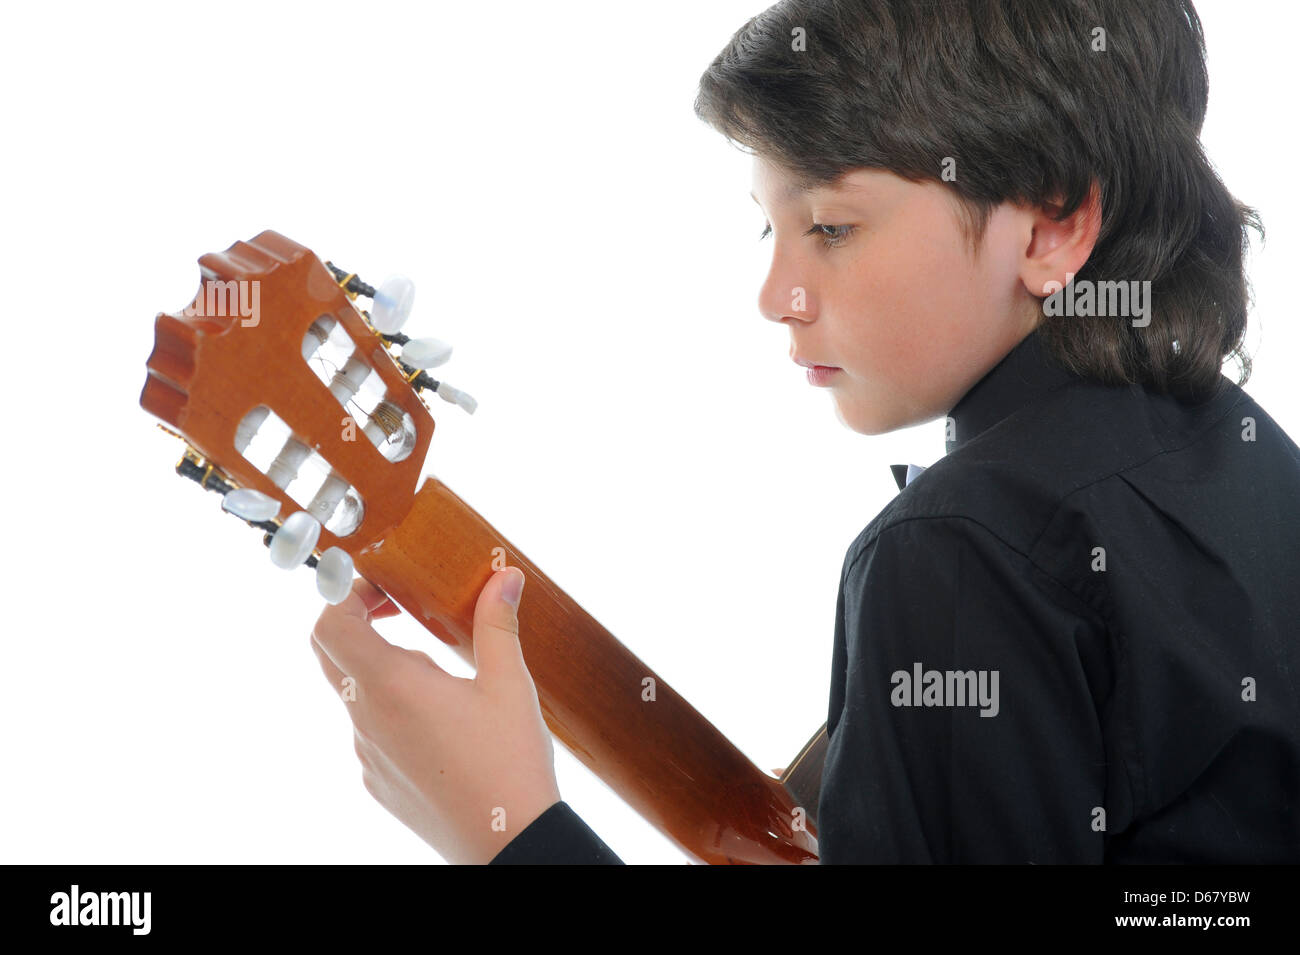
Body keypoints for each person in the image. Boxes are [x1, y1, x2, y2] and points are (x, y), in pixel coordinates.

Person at [308, 0, 1300, 864]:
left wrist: (507, 829)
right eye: (766, 227)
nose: (775, 294)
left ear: (1049, 227)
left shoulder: (964, 545)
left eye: (828, 226)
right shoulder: (1234, 452)